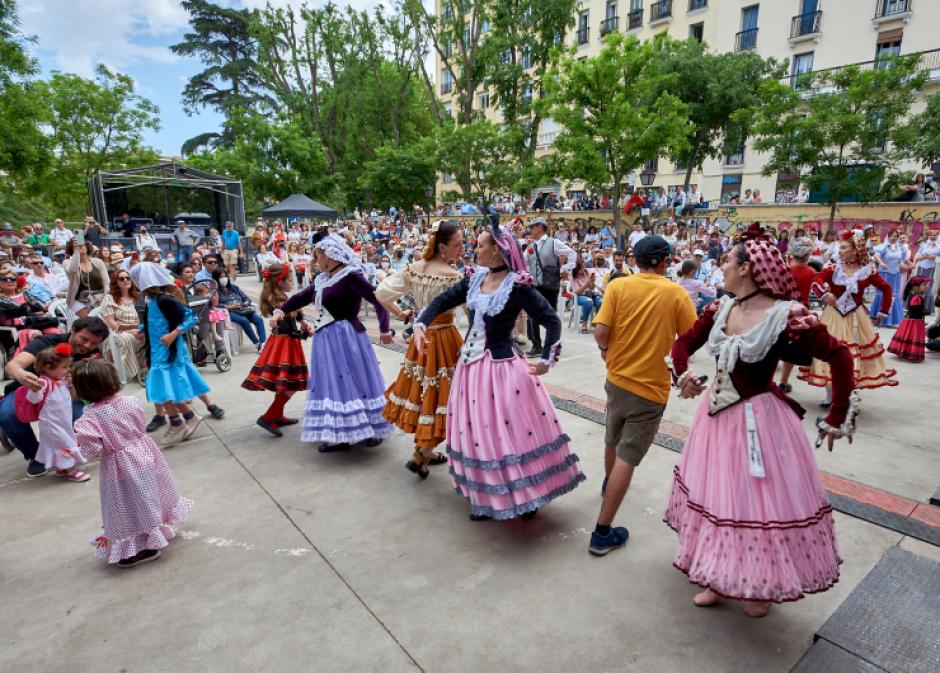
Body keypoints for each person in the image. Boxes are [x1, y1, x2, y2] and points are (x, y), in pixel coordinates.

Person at [666, 223, 857, 617]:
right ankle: (717, 576)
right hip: (716, 420)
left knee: (756, 502)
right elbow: (683, 342)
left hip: (759, 423)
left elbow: (840, 355)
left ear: (747, 268)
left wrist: (837, 415)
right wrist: (682, 373)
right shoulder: (722, 307)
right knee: (718, 495)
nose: (721, 266)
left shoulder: (786, 315)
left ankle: (759, 586)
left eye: (728, 261)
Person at [414, 223, 584, 521]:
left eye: (480, 245)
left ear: (497, 249)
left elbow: (552, 320)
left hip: (502, 371)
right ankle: (487, 494)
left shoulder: (517, 285)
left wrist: (547, 359)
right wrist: (420, 323)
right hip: (471, 369)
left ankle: (526, 496)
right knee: (477, 432)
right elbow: (441, 301)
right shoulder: (474, 278)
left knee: (510, 432)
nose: (474, 249)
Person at [587, 235, 697, 555]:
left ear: (635, 260)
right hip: (650, 388)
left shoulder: (619, 286)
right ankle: (602, 532)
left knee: (613, 438)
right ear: (664, 261)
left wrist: (607, 352)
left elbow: (601, 331)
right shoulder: (675, 293)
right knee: (629, 456)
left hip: (617, 380)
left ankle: (610, 486)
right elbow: (690, 339)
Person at [275, 233, 393, 450]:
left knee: (359, 380)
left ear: (329, 256)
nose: (316, 260)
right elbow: (301, 297)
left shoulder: (350, 275)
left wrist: (385, 329)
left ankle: (371, 428)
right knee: (333, 383)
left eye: (318, 256)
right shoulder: (322, 279)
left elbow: (379, 299)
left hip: (348, 337)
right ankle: (341, 434)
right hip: (326, 339)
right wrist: (280, 311)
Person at [72, 358, 191, 568]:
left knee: (126, 504)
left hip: (120, 466)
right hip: (144, 453)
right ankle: (156, 528)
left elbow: (92, 450)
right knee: (149, 494)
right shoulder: (130, 402)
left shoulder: (89, 419)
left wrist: (75, 448)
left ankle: (147, 545)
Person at [377, 221, 463, 478]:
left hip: (421, 339)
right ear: (442, 246)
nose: (461, 249)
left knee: (427, 394)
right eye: (457, 245)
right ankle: (422, 454)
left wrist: (402, 312)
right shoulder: (454, 277)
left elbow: (381, 293)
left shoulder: (414, 270)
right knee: (443, 397)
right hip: (446, 338)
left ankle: (423, 452)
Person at [1, 316, 109, 477]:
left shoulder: (94, 354)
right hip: (27, 391)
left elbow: (97, 387)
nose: (87, 345)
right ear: (73, 330)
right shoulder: (48, 342)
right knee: (7, 415)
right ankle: (35, 455)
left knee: (82, 417)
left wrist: (80, 391)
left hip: (62, 397)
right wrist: (21, 374)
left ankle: (67, 457)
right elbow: (12, 366)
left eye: (94, 343)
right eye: (84, 339)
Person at [800, 232, 898, 402]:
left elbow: (887, 289)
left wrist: (883, 311)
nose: (840, 251)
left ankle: (850, 389)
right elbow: (815, 281)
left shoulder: (867, 271)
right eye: (840, 247)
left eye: (844, 247)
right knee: (830, 352)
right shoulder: (833, 268)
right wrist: (824, 295)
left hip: (856, 318)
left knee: (854, 353)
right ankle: (831, 394)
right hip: (833, 317)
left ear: (855, 250)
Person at [130, 262, 207, 445]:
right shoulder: (154, 301)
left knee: (160, 387)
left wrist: (173, 333)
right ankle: (185, 417)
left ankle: (179, 420)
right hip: (158, 349)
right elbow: (156, 321)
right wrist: (142, 329)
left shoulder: (165, 300)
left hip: (167, 351)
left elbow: (191, 317)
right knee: (163, 387)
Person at [242, 262, 309, 436]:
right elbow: (288, 326)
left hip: (282, 341)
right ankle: (269, 416)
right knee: (291, 383)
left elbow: (294, 310)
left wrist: (302, 321)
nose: (293, 283)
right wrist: (305, 333)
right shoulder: (278, 300)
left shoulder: (278, 296)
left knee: (285, 382)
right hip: (285, 343)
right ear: (280, 282)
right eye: (290, 280)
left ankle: (277, 415)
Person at [22, 344, 89, 482]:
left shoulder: (59, 380)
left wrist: (70, 384)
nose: (67, 370)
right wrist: (34, 389)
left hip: (61, 421)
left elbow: (71, 396)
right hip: (52, 423)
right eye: (64, 367)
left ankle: (62, 467)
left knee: (60, 444)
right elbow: (33, 399)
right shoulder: (43, 382)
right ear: (48, 368)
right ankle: (72, 470)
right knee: (65, 444)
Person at [523, 217, 575, 357]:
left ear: (540, 227)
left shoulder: (554, 243)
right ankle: (536, 345)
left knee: (550, 316)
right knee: (531, 316)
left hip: (550, 285)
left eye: (532, 227)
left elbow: (572, 254)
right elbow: (524, 264)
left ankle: (554, 344)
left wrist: (564, 269)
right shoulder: (530, 247)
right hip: (534, 285)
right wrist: (528, 275)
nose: (530, 230)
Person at [778, 237, 816, 393]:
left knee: (776, 345)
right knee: (793, 348)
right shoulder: (811, 272)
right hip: (801, 312)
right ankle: (784, 381)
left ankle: (774, 380)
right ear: (807, 256)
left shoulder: (784, 271)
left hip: (782, 310)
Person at [99, 268, 145, 381]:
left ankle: (146, 369)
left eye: (128, 278)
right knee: (126, 338)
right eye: (121, 279)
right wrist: (132, 330)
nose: (125, 280)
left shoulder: (137, 297)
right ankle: (136, 374)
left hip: (139, 329)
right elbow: (111, 323)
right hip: (117, 331)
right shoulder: (109, 298)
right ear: (116, 282)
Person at [213, 267, 266, 351]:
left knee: (259, 319)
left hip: (243, 309)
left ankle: (263, 343)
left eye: (225, 276)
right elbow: (216, 304)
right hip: (230, 312)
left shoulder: (233, 287)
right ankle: (257, 344)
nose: (224, 279)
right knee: (244, 320)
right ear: (216, 278)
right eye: (221, 277)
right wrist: (229, 307)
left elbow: (246, 298)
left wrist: (246, 303)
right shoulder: (216, 291)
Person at [869, 229, 909, 327]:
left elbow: (902, 260)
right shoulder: (882, 247)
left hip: (896, 274)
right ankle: (879, 318)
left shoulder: (900, 248)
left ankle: (893, 319)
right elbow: (876, 256)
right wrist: (882, 263)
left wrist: (909, 265)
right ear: (889, 236)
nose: (894, 238)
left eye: (896, 236)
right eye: (893, 236)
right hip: (885, 274)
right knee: (883, 293)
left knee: (894, 294)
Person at [887, 276, 929, 363]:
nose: (927, 286)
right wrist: (926, 312)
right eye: (924, 285)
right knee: (912, 337)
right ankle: (911, 353)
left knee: (907, 336)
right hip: (915, 323)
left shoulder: (913, 295)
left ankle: (904, 352)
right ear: (915, 287)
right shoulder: (917, 297)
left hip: (909, 321)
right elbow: (916, 312)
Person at [64, 239, 110, 316]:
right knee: (90, 322)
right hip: (79, 299)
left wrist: (106, 298)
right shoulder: (67, 262)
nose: (80, 246)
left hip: (100, 297)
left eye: (83, 244)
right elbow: (72, 269)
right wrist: (76, 251)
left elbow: (106, 283)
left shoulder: (98, 262)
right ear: (72, 249)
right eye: (77, 245)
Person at [569, 254, 602, 334]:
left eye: (583, 267)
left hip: (590, 294)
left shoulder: (587, 273)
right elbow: (577, 292)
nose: (583, 270)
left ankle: (597, 322)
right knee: (588, 302)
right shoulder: (573, 277)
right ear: (576, 269)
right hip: (580, 296)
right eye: (580, 268)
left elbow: (592, 288)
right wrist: (586, 284)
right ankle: (584, 324)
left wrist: (592, 282)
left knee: (600, 302)